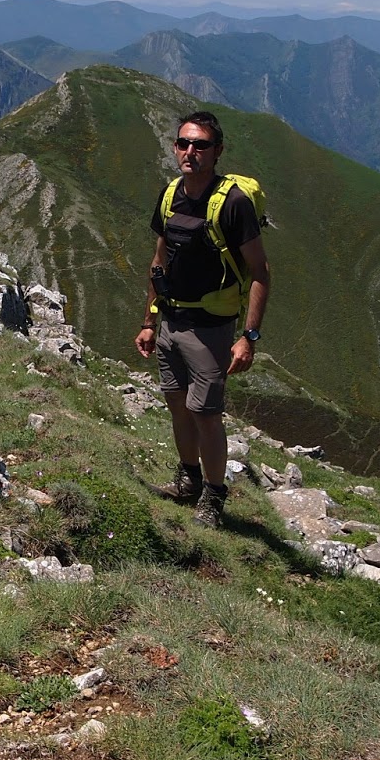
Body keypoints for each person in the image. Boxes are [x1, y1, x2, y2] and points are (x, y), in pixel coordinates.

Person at [134, 112, 269, 529]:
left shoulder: (234, 204)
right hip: (171, 320)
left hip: (211, 327)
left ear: (217, 151)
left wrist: (248, 336)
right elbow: (160, 260)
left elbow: (261, 271)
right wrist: (149, 322)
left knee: (206, 414)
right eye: (183, 144)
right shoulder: (170, 193)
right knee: (178, 405)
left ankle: (214, 496)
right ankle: (188, 479)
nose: (190, 152)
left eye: (200, 145)